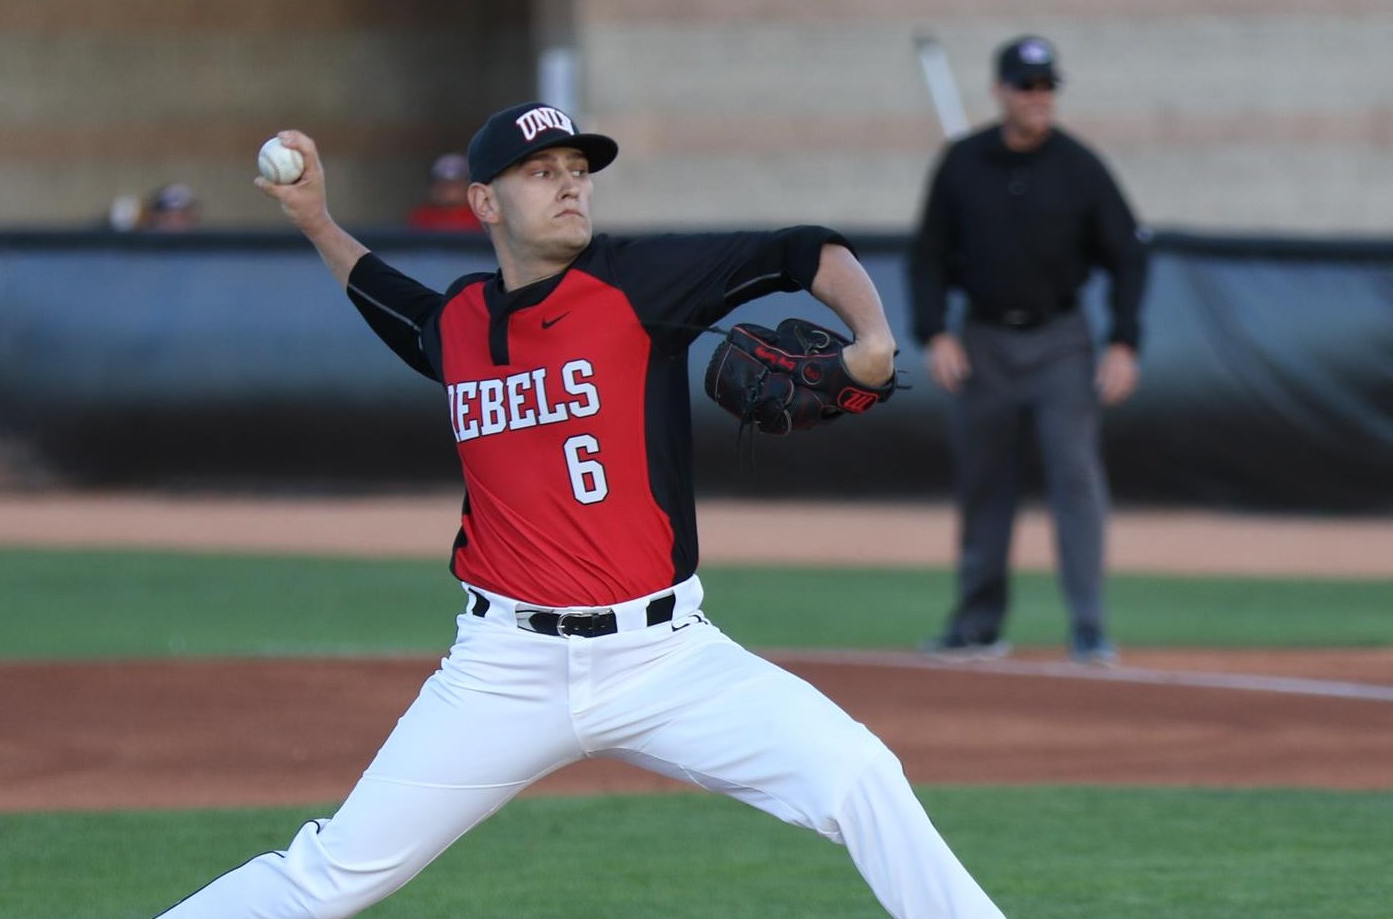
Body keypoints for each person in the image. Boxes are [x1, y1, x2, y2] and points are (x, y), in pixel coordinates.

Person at [154, 102, 1008, 919]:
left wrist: (874, 340)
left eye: (577, 168)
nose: (569, 184)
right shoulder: (458, 324)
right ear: (485, 200)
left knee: (860, 774)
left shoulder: (638, 283)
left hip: (667, 660)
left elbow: (804, 251)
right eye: (539, 171)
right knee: (332, 875)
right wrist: (314, 218)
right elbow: (387, 298)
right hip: (501, 670)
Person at [908, 35, 1149, 667]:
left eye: (1047, 88)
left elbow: (1128, 253)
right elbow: (928, 254)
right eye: (1026, 87)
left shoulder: (1079, 166)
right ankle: (978, 625)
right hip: (983, 342)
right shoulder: (963, 163)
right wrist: (934, 331)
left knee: (1075, 481)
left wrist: (1124, 341)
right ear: (1001, 91)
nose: (1038, 98)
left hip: (1060, 343)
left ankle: (1090, 626)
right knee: (986, 485)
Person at [404, 151, 481, 231]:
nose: (448, 190)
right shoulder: (421, 216)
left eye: (454, 185)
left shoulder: (480, 217)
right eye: (443, 185)